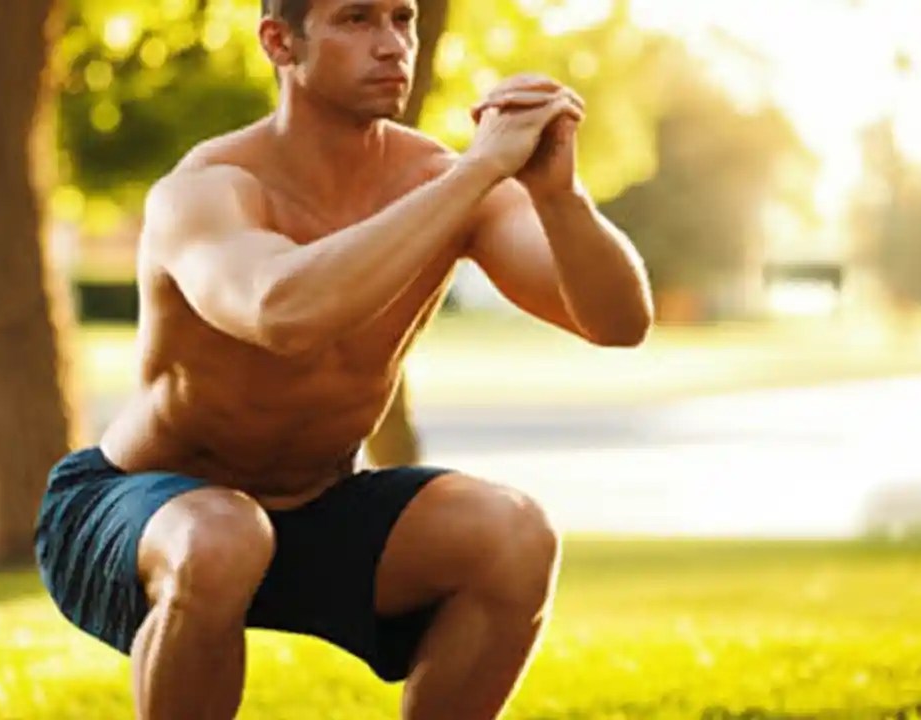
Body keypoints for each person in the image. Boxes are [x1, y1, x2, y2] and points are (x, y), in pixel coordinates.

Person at [33, 0, 654, 718]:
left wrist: (560, 197)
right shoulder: (208, 190)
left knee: (515, 535)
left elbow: (617, 322)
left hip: (314, 506)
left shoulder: (450, 183)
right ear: (279, 42)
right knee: (224, 535)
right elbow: (283, 313)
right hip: (141, 508)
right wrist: (474, 174)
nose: (392, 45)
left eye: (402, 19)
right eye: (356, 20)